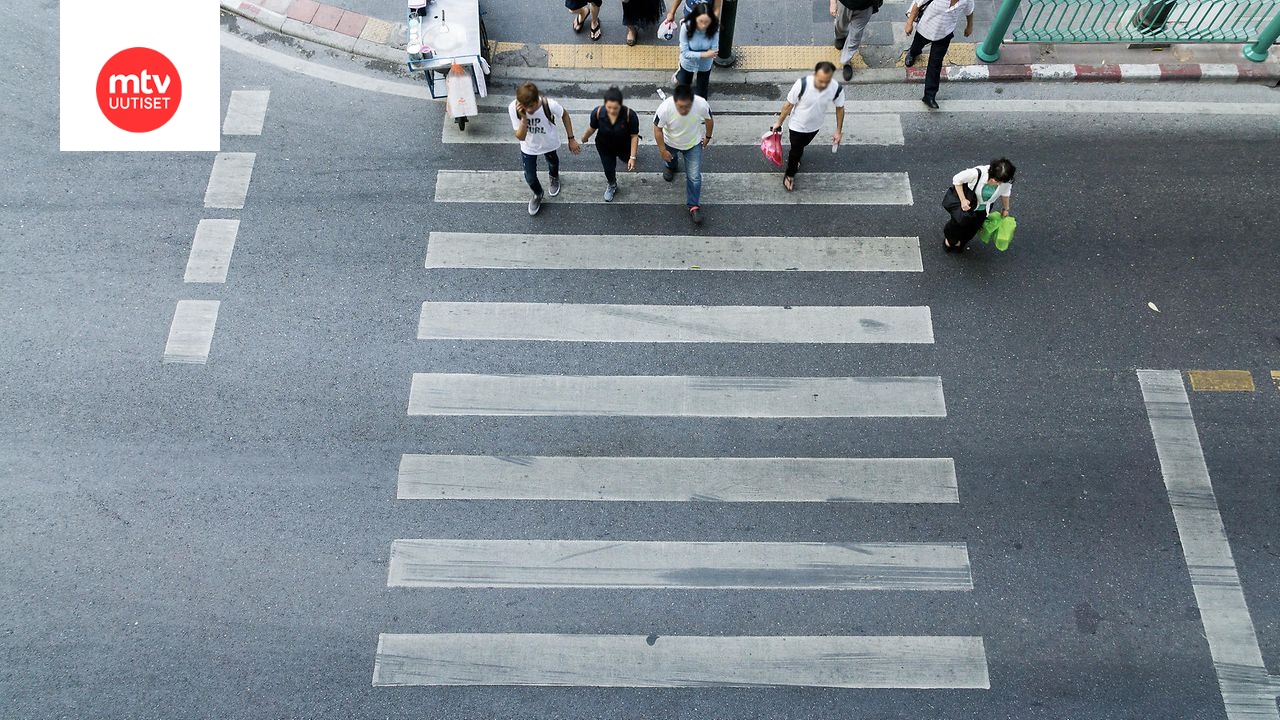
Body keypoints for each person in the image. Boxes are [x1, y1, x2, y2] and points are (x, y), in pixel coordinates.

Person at [770, 61, 846, 192]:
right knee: (796, 150)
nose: (823, 85)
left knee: (801, 146)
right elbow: (788, 105)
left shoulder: (836, 89)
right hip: (797, 127)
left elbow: (840, 108)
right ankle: (790, 174)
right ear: (814, 74)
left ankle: (796, 158)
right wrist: (779, 122)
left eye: (826, 82)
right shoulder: (802, 84)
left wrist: (838, 131)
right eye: (820, 81)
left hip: (815, 127)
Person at [509, 82, 580, 216]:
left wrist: (571, 139)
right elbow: (521, 137)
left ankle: (554, 177)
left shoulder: (549, 104)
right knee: (530, 177)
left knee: (552, 162)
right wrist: (524, 119)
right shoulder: (514, 108)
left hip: (549, 143)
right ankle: (538, 193)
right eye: (526, 107)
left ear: (538, 100)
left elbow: (565, 115)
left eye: (532, 106)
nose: (529, 110)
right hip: (528, 147)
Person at [653, 83, 714, 224]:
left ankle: (693, 205)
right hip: (670, 143)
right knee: (670, 158)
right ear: (674, 101)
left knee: (694, 177)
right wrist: (662, 150)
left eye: (687, 106)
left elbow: (709, 120)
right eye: (681, 107)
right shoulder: (664, 108)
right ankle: (670, 166)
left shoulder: (701, 104)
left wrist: (708, 136)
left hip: (692, 145)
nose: (684, 110)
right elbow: (657, 129)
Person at [904, 0, 974, 109]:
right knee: (916, 47)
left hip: (944, 34)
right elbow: (918, 3)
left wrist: (969, 26)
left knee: (935, 64)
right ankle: (912, 53)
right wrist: (909, 23)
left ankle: (929, 96)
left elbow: (969, 11)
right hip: (925, 29)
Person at [580, 86, 640, 202]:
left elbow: (634, 136)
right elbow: (592, 128)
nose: (612, 111)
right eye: (609, 108)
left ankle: (630, 156)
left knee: (627, 159)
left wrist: (633, 157)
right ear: (604, 104)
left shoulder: (630, 115)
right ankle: (612, 185)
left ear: (621, 105)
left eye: (615, 108)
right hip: (605, 147)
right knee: (608, 168)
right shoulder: (597, 113)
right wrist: (585, 137)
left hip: (624, 146)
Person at [942, 158, 1015, 252]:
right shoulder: (977, 173)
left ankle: (961, 242)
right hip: (969, 205)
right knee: (957, 225)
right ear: (992, 176)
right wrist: (963, 200)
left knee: (973, 228)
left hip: (983, 209)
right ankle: (950, 242)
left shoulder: (1005, 180)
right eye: (998, 181)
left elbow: (1005, 193)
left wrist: (1006, 209)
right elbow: (957, 180)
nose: (1000, 184)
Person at [831, 0, 882, 81]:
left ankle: (846, 61)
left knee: (856, 35)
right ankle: (840, 36)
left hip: (866, 7)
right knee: (840, 25)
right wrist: (833, 2)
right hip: (844, 3)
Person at [676, 4, 720, 99]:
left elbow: (714, 50)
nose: (704, 25)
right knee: (684, 89)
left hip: (705, 65)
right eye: (700, 21)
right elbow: (684, 53)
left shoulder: (714, 29)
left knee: (702, 92)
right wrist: (705, 54)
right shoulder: (686, 27)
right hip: (688, 63)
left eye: (707, 22)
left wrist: (706, 54)